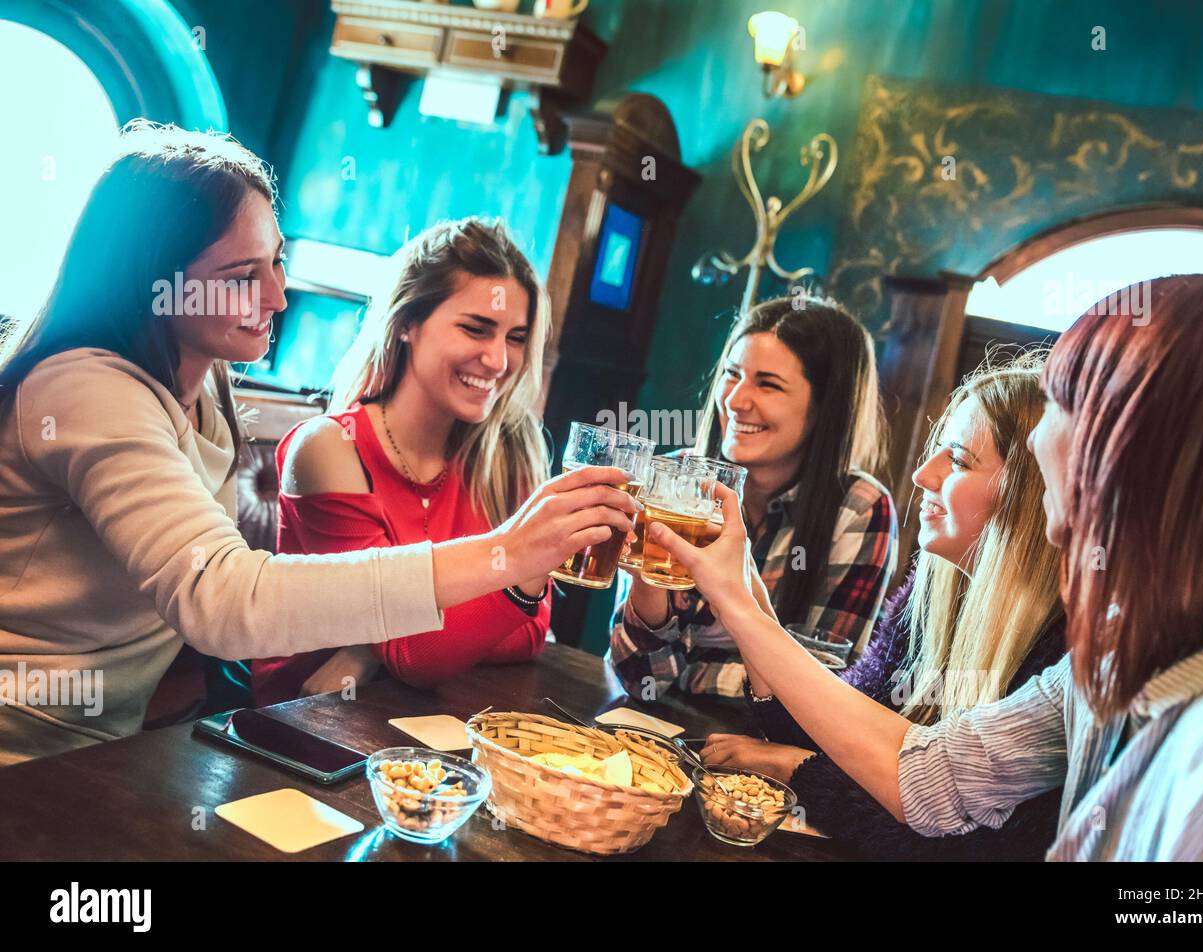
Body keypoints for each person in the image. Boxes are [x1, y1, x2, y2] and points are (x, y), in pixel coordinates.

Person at [0, 122, 636, 765]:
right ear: (152, 280)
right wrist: (509, 553)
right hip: (27, 751)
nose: (277, 295)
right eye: (243, 275)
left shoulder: (205, 383)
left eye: (276, 261)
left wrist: (370, 641)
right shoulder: (83, 389)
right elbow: (220, 599)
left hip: (109, 746)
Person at [649, 274, 1203, 860]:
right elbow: (930, 782)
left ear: (1172, 468)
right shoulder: (1109, 659)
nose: (1047, 435)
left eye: (1076, 406)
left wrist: (739, 606)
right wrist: (741, 596)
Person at [704, 354, 1068, 858]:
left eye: (958, 460)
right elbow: (835, 725)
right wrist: (747, 597)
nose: (921, 475)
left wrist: (793, 767)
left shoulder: (1064, 645)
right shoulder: (931, 595)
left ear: (1030, 493)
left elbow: (942, 845)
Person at [252, 219, 554, 703]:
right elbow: (416, 657)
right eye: (476, 329)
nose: (498, 361)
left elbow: (529, 633)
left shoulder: (508, 451)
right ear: (407, 323)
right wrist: (398, 642)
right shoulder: (329, 449)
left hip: (428, 729)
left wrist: (368, 651)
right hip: (303, 725)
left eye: (515, 337)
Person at [608, 296, 898, 700]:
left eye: (768, 384)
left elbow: (826, 693)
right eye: (732, 374)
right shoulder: (673, 479)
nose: (736, 400)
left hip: (765, 755)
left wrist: (692, 670)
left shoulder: (860, 508)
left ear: (825, 408)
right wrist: (647, 581)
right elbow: (644, 682)